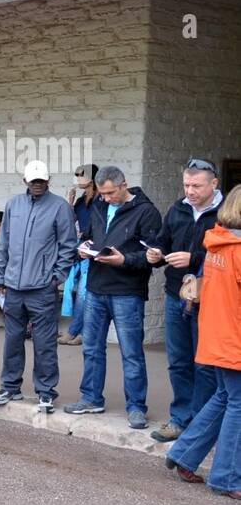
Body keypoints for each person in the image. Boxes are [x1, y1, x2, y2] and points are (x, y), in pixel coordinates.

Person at [62, 166, 162, 429]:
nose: (105, 198)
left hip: (127, 293)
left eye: (109, 193)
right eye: (102, 193)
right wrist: (82, 248)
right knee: (92, 348)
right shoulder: (97, 206)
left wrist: (123, 260)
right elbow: (89, 236)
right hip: (95, 288)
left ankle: (137, 407)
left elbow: (153, 256)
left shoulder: (146, 212)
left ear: (123, 185)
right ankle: (91, 398)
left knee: (131, 353)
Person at [164, 185, 241, 498]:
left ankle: (185, 454)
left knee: (224, 397)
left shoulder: (218, 243)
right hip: (234, 337)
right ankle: (226, 477)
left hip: (216, 333)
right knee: (236, 403)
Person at [144, 159, 224, 442]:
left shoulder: (226, 214)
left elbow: (230, 258)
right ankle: (180, 418)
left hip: (211, 299)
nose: (189, 191)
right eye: (186, 185)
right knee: (178, 361)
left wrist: (196, 260)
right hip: (175, 294)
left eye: (196, 186)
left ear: (214, 184)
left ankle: (202, 423)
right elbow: (163, 241)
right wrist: (155, 253)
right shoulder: (178, 208)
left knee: (205, 364)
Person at [0, 160, 78, 414]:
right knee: (12, 340)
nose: (38, 185)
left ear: (48, 181)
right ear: (25, 181)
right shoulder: (13, 205)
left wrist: (56, 278)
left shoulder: (60, 207)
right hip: (13, 287)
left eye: (42, 181)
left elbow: (68, 246)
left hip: (42, 288)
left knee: (44, 343)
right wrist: (0, 278)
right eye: (33, 181)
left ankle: (46, 391)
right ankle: (10, 386)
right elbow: (3, 244)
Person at [59, 164, 99, 345]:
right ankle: (80, 331)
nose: (78, 180)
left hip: (93, 249)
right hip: (80, 249)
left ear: (92, 178)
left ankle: (76, 331)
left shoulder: (101, 200)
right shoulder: (83, 201)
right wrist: (70, 201)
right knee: (77, 290)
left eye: (81, 176)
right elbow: (69, 220)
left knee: (84, 291)